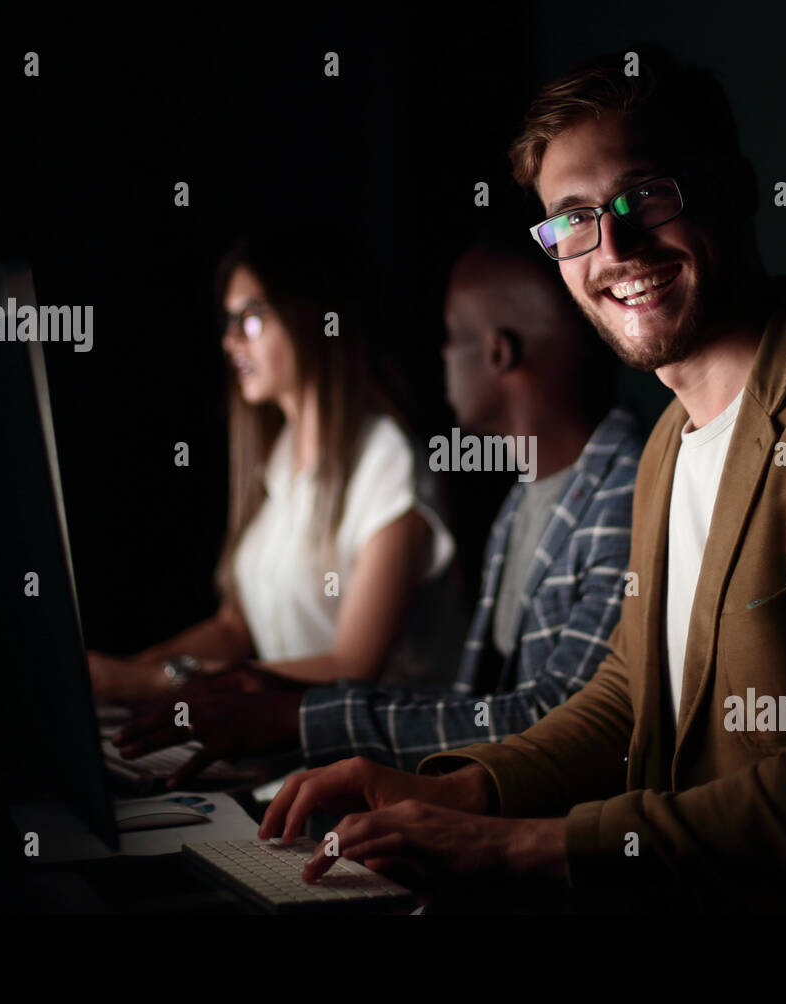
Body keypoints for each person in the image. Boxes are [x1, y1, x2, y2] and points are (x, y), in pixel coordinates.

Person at [256, 47, 786, 913]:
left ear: (737, 189)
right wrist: (460, 790)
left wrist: (519, 846)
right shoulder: (670, 439)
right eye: (573, 220)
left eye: (648, 196)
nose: (616, 246)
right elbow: (631, 696)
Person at [111, 226, 645, 779]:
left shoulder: (622, 491)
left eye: (449, 334)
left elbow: (550, 722)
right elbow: (489, 706)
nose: (439, 355)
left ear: (497, 351)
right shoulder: (523, 500)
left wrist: (268, 707)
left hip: (371, 773)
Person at [88, 225, 455, 703]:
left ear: (311, 316)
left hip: (378, 766)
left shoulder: (388, 463)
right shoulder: (278, 458)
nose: (231, 342)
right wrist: (127, 672)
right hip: (284, 756)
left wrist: (157, 684)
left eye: (252, 317)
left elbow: (352, 667)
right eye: (228, 322)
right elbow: (235, 626)